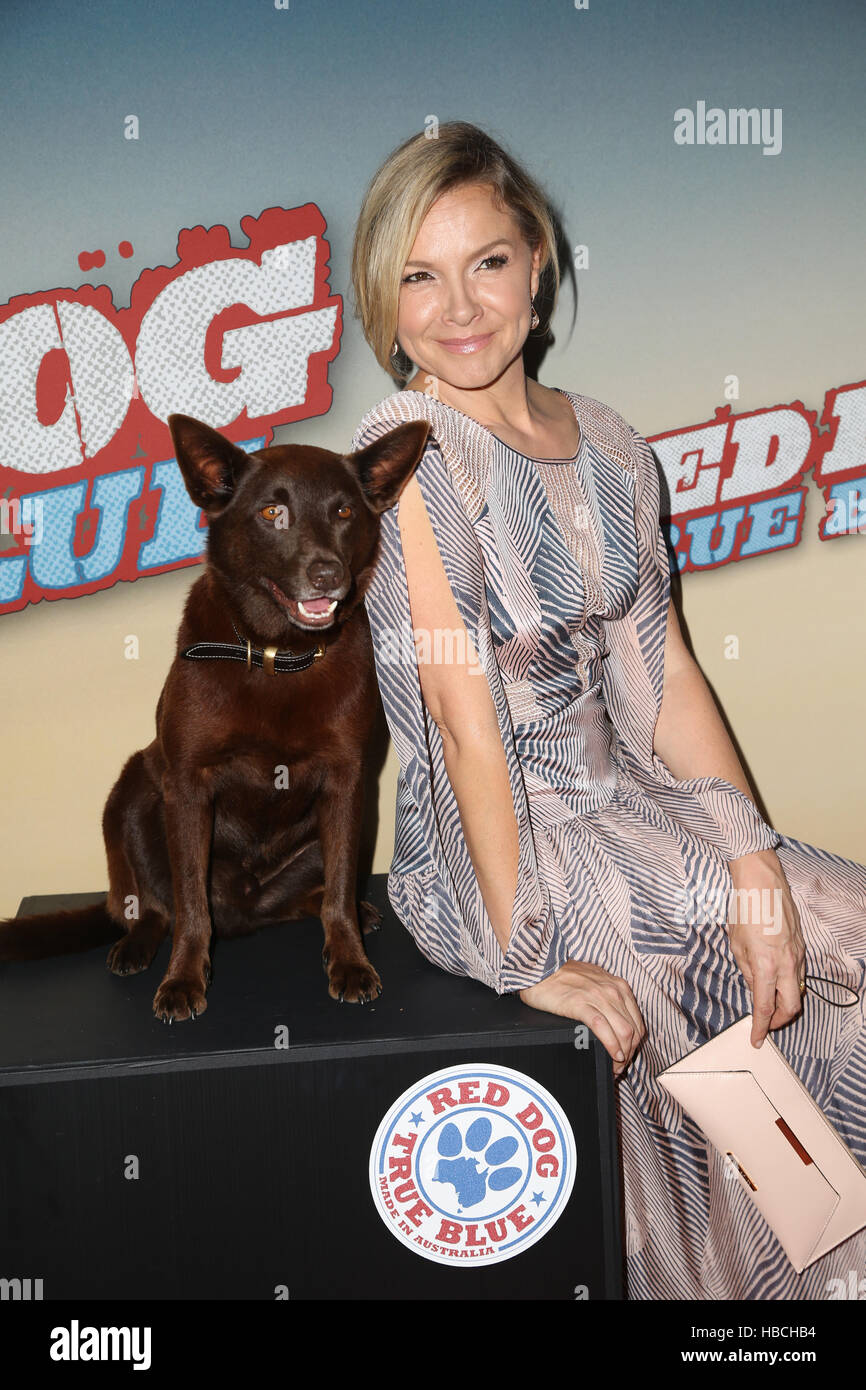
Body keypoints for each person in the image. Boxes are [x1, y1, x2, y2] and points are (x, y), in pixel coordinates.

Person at [349, 121, 866, 1298]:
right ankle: (789, 1285)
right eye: (417, 277)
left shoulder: (615, 444)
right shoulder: (407, 455)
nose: (457, 306)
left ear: (537, 266)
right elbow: (460, 717)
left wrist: (746, 848)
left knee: (823, 924)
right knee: (720, 980)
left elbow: (664, 668)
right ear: (385, 305)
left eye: (485, 261)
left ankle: (820, 1263)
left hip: (636, 799)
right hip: (504, 842)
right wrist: (523, 952)